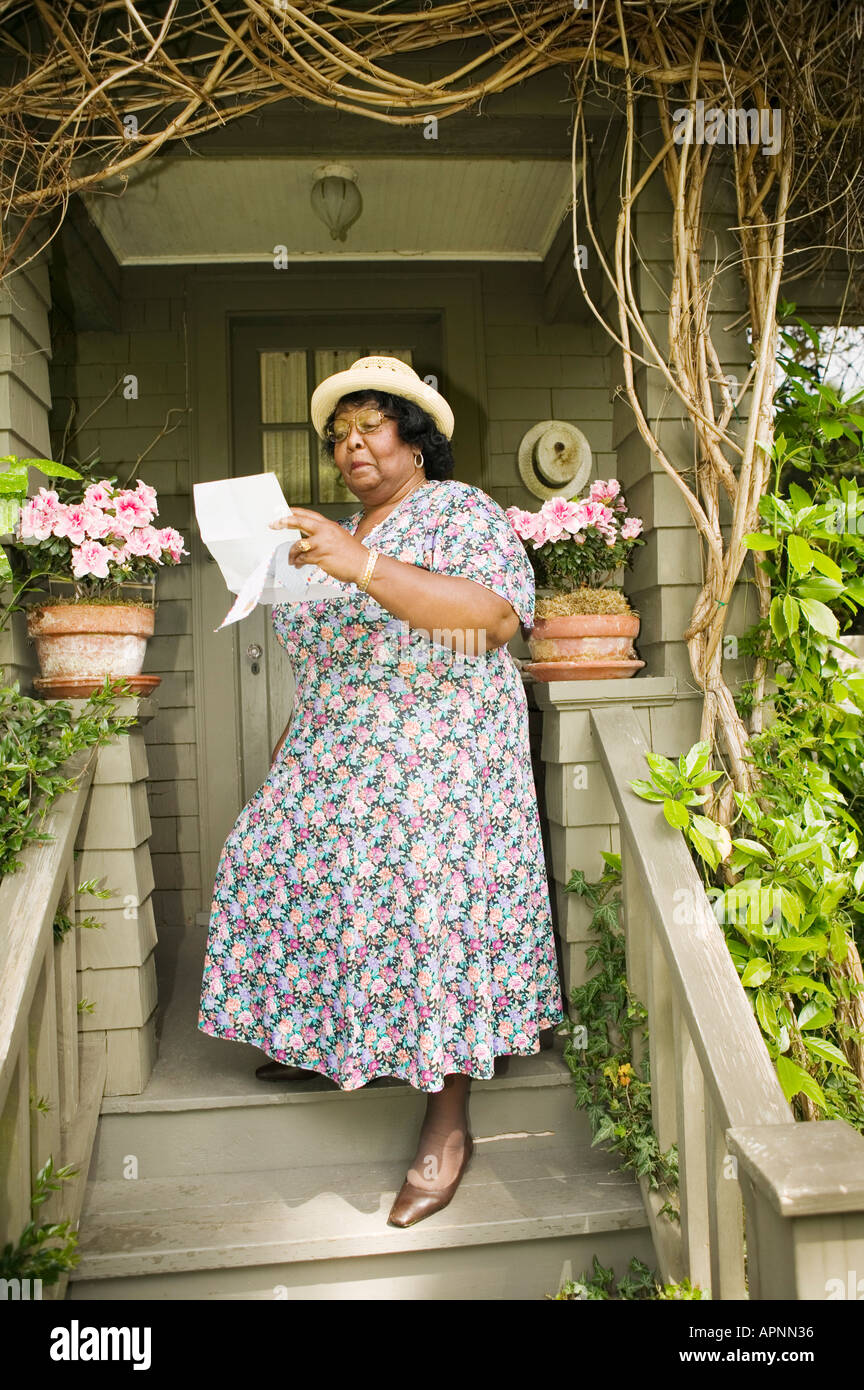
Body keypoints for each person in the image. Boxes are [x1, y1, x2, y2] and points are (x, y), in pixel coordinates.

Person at [198, 356, 564, 1227]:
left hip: (444, 752)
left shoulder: (456, 511)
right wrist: (288, 762)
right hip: (337, 745)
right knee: (267, 856)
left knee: (429, 911)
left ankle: (446, 1119)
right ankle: (329, 1032)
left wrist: (360, 563)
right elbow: (326, 668)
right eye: (338, 434)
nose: (350, 444)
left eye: (369, 425)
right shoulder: (333, 533)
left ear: (415, 436)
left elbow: (494, 618)